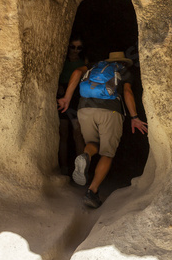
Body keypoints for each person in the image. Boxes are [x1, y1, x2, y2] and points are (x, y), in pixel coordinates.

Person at [58, 51, 148, 208]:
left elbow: (77, 71)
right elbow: (127, 92)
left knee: (92, 143)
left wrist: (66, 98)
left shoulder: (94, 66)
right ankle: (92, 192)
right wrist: (134, 117)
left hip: (84, 109)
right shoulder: (124, 71)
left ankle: (86, 155)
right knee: (107, 153)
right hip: (110, 111)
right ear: (124, 61)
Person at [57, 37, 88, 174]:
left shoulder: (84, 62)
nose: (75, 50)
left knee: (78, 133)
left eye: (79, 48)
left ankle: (80, 170)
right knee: (63, 133)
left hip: (77, 98)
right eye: (73, 47)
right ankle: (63, 167)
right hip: (61, 97)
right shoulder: (61, 59)